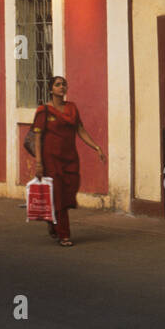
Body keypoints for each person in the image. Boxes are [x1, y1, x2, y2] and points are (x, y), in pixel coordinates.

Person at [33, 76, 105, 246]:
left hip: (70, 158)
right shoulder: (44, 111)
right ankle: (64, 234)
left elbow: (80, 129)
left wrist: (96, 147)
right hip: (51, 159)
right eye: (58, 85)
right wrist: (38, 162)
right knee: (58, 194)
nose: (62, 87)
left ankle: (52, 221)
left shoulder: (72, 108)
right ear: (51, 89)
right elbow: (37, 137)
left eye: (64, 84)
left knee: (70, 190)